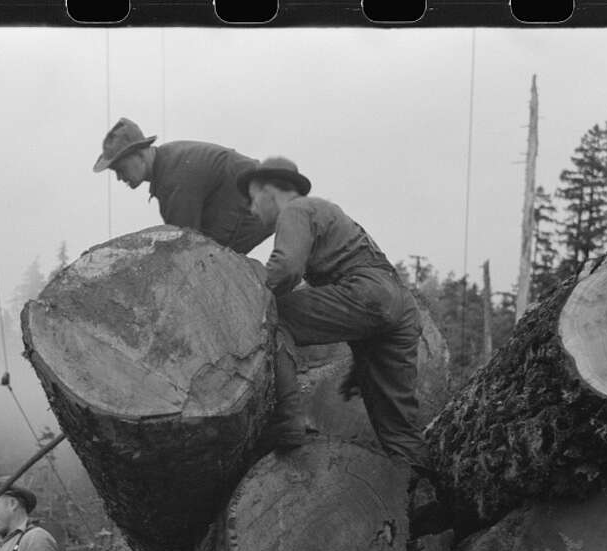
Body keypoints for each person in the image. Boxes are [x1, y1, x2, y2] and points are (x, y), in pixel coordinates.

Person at [237, 156, 431, 474]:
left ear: (269, 191)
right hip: (399, 305)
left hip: (367, 294)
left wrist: (248, 295)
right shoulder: (326, 211)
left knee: (273, 317)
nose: (251, 210)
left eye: (253, 198)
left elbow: (285, 271)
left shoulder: (295, 210)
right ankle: (432, 500)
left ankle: (286, 422)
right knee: (399, 432)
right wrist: (365, 363)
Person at [92, 117, 272, 254]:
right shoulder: (167, 162)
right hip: (254, 197)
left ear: (140, 155)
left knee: (206, 260)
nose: (119, 177)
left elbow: (183, 245)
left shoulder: (173, 178)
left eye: (120, 168)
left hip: (257, 201)